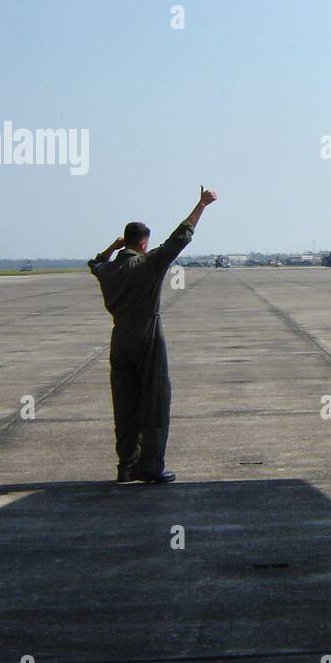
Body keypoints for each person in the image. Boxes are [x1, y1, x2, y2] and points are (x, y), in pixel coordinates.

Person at [88, 186, 218, 483]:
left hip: (119, 337)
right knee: (156, 400)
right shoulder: (148, 264)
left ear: (127, 242)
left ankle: (125, 465)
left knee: (124, 403)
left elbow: (94, 264)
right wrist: (201, 205)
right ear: (144, 243)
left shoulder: (108, 271)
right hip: (147, 334)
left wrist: (112, 246)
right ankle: (150, 466)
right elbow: (179, 239)